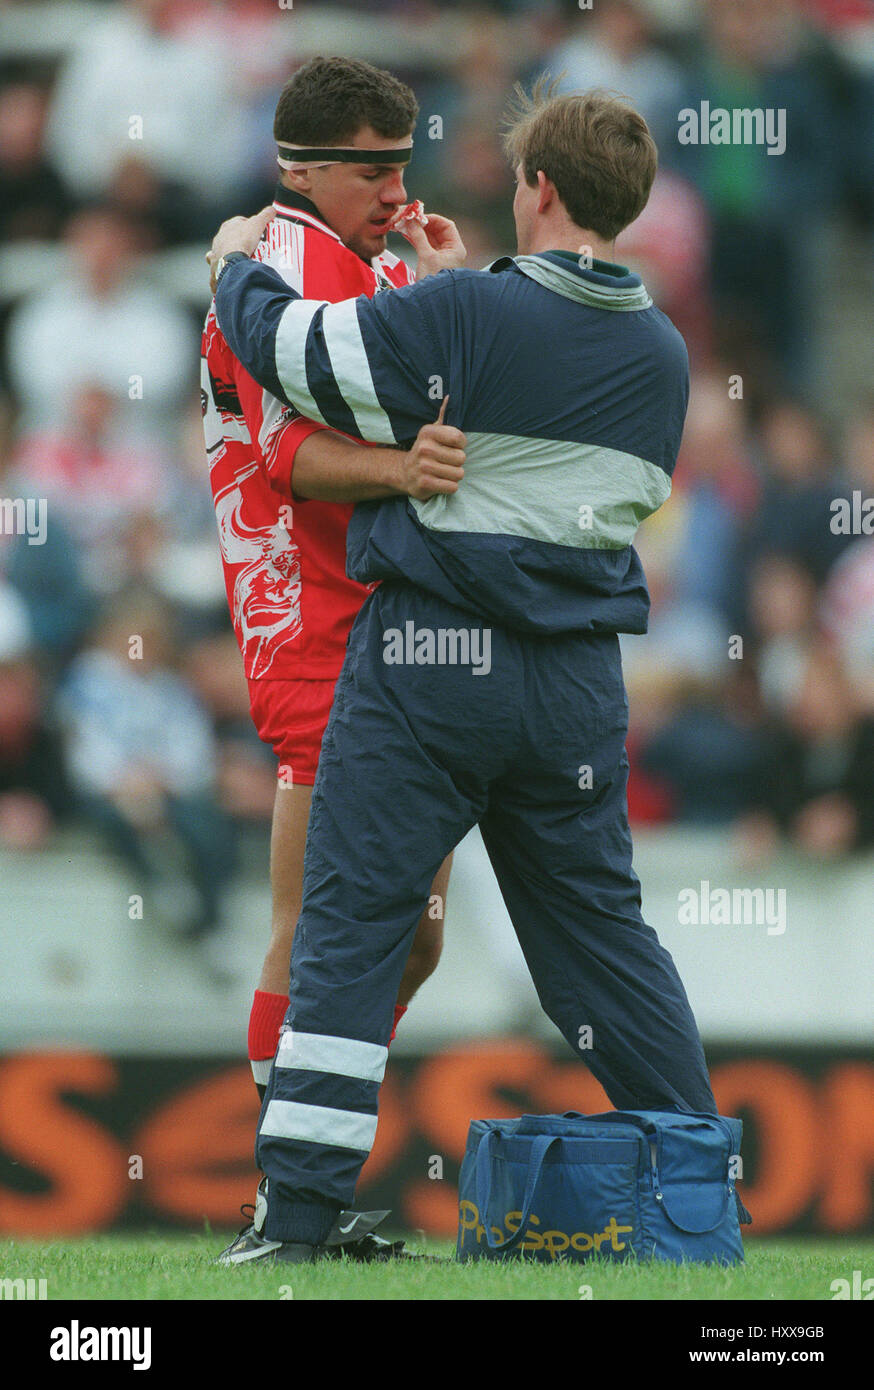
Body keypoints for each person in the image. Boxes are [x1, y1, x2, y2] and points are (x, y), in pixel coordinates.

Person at [210, 81, 720, 1264]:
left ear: (535, 188)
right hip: (581, 687)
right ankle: (698, 1184)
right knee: (604, 945)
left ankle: (294, 1216)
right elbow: (558, 413)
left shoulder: (467, 318)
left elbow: (292, 353)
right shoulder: (664, 354)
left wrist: (234, 262)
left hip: (432, 664)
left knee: (353, 925)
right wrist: (450, 292)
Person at [201, 58, 467, 1257]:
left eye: (404, 159)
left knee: (411, 933)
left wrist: (445, 282)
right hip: (306, 614)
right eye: (372, 165)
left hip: (389, 607)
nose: (394, 184)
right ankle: (286, 1185)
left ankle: (304, 1115)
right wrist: (411, 468)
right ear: (298, 169)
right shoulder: (274, 260)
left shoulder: (381, 259)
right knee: (318, 919)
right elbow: (287, 456)